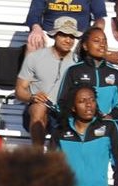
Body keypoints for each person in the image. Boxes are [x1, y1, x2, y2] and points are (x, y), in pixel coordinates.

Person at [15, 16, 80, 149]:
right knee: (39, 107)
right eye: (63, 35)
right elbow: (19, 90)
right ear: (55, 35)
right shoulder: (35, 57)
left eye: (72, 36)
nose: (68, 40)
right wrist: (32, 97)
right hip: (36, 110)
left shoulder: (78, 61)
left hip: (64, 111)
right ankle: (38, 154)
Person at [20, 0, 104, 52]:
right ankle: (28, 75)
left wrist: (92, 35)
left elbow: (100, 18)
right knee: (33, 41)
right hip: (50, 35)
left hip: (79, 36)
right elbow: (33, 15)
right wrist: (36, 28)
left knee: (94, 43)